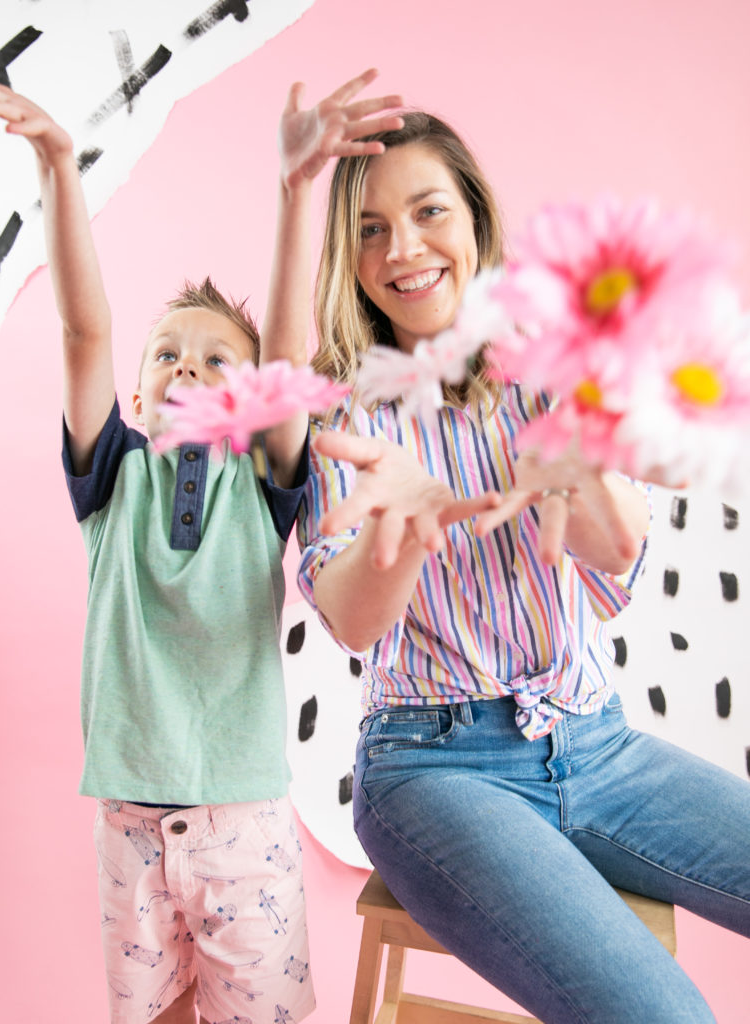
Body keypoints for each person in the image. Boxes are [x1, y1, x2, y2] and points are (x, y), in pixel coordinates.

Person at [0, 67, 402, 1024]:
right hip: (127, 825)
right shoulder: (111, 480)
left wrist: (295, 190)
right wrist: (59, 166)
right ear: (137, 397)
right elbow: (86, 326)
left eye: (215, 359)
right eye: (168, 355)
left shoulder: (262, 481)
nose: (187, 367)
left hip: (244, 825)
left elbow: (285, 357)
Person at [296, 110, 750, 1023]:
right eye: (370, 230)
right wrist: (404, 533)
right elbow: (351, 619)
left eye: (429, 212)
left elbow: (617, 551)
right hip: (433, 771)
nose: (404, 249)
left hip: (598, 743)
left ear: (474, 224)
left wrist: (571, 457)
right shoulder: (335, 411)